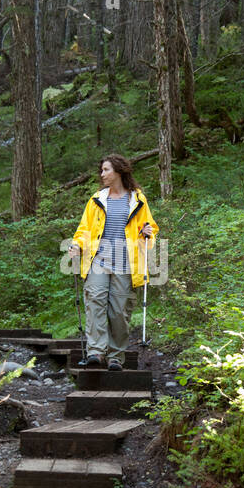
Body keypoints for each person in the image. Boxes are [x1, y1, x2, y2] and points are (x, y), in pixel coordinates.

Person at [68, 153, 159, 369]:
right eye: (102, 170)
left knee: (119, 311)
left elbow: (150, 227)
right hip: (98, 259)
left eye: (106, 170)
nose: (102, 174)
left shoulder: (137, 199)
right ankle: (96, 353)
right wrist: (78, 245)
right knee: (95, 302)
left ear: (118, 171)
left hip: (126, 262)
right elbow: (85, 229)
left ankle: (116, 356)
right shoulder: (97, 199)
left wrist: (148, 232)